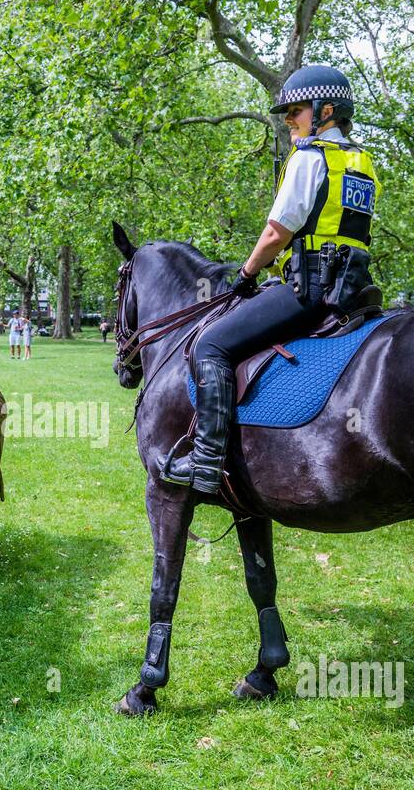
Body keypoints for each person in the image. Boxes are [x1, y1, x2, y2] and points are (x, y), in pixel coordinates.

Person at [159, 65, 379, 493]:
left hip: (312, 289)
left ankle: (205, 461)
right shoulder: (363, 164)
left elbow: (277, 232)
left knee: (210, 344)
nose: (288, 120)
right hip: (354, 289)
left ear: (326, 110)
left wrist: (246, 273)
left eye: (296, 111)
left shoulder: (310, 158)